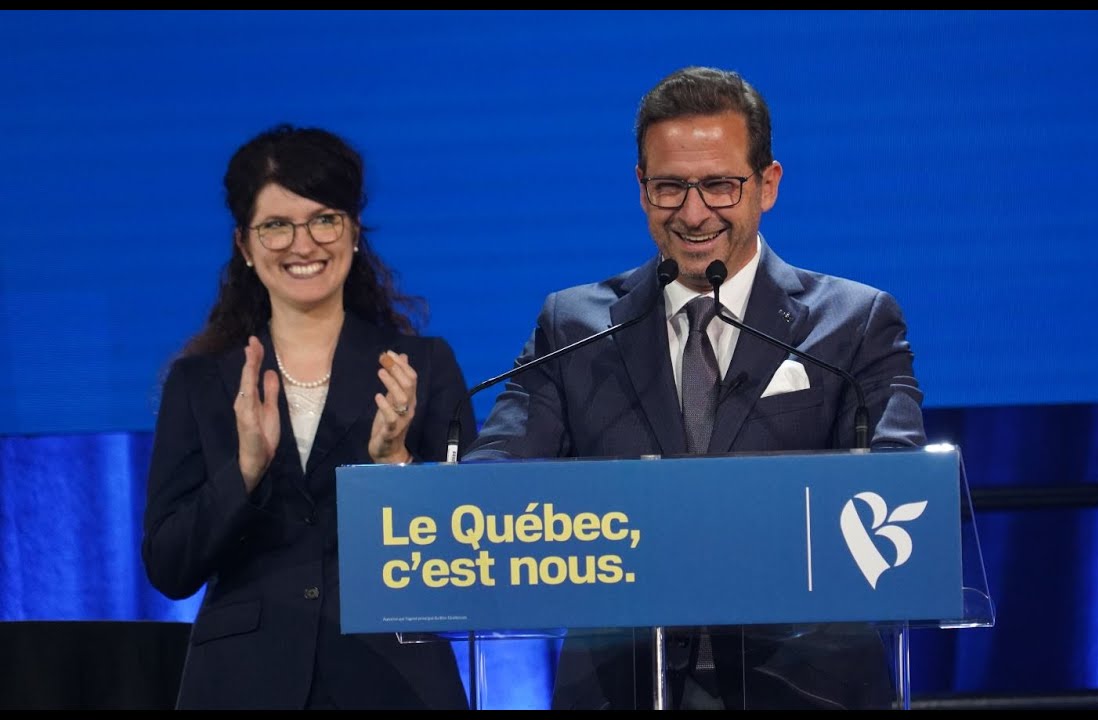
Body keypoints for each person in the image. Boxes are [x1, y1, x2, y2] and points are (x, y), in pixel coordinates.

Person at [463, 66, 926, 709]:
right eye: (670, 187)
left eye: (718, 185)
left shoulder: (853, 324)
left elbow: (902, 487)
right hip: (621, 684)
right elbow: (493, 476)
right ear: (641, 187)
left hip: (804, 685)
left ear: (767, 185)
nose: (693, 212)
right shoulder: (574, 327)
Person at [141, 124, 477, 710]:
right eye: (276, 225)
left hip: (392, 677)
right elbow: (169, 567)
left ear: (353, 232)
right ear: (245, 245)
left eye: (324, 219)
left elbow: (471, 553)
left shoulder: (420, 366)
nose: (303, 244)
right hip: (243, 683)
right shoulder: (201, 383)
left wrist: (396, 464)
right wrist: (244, 473)